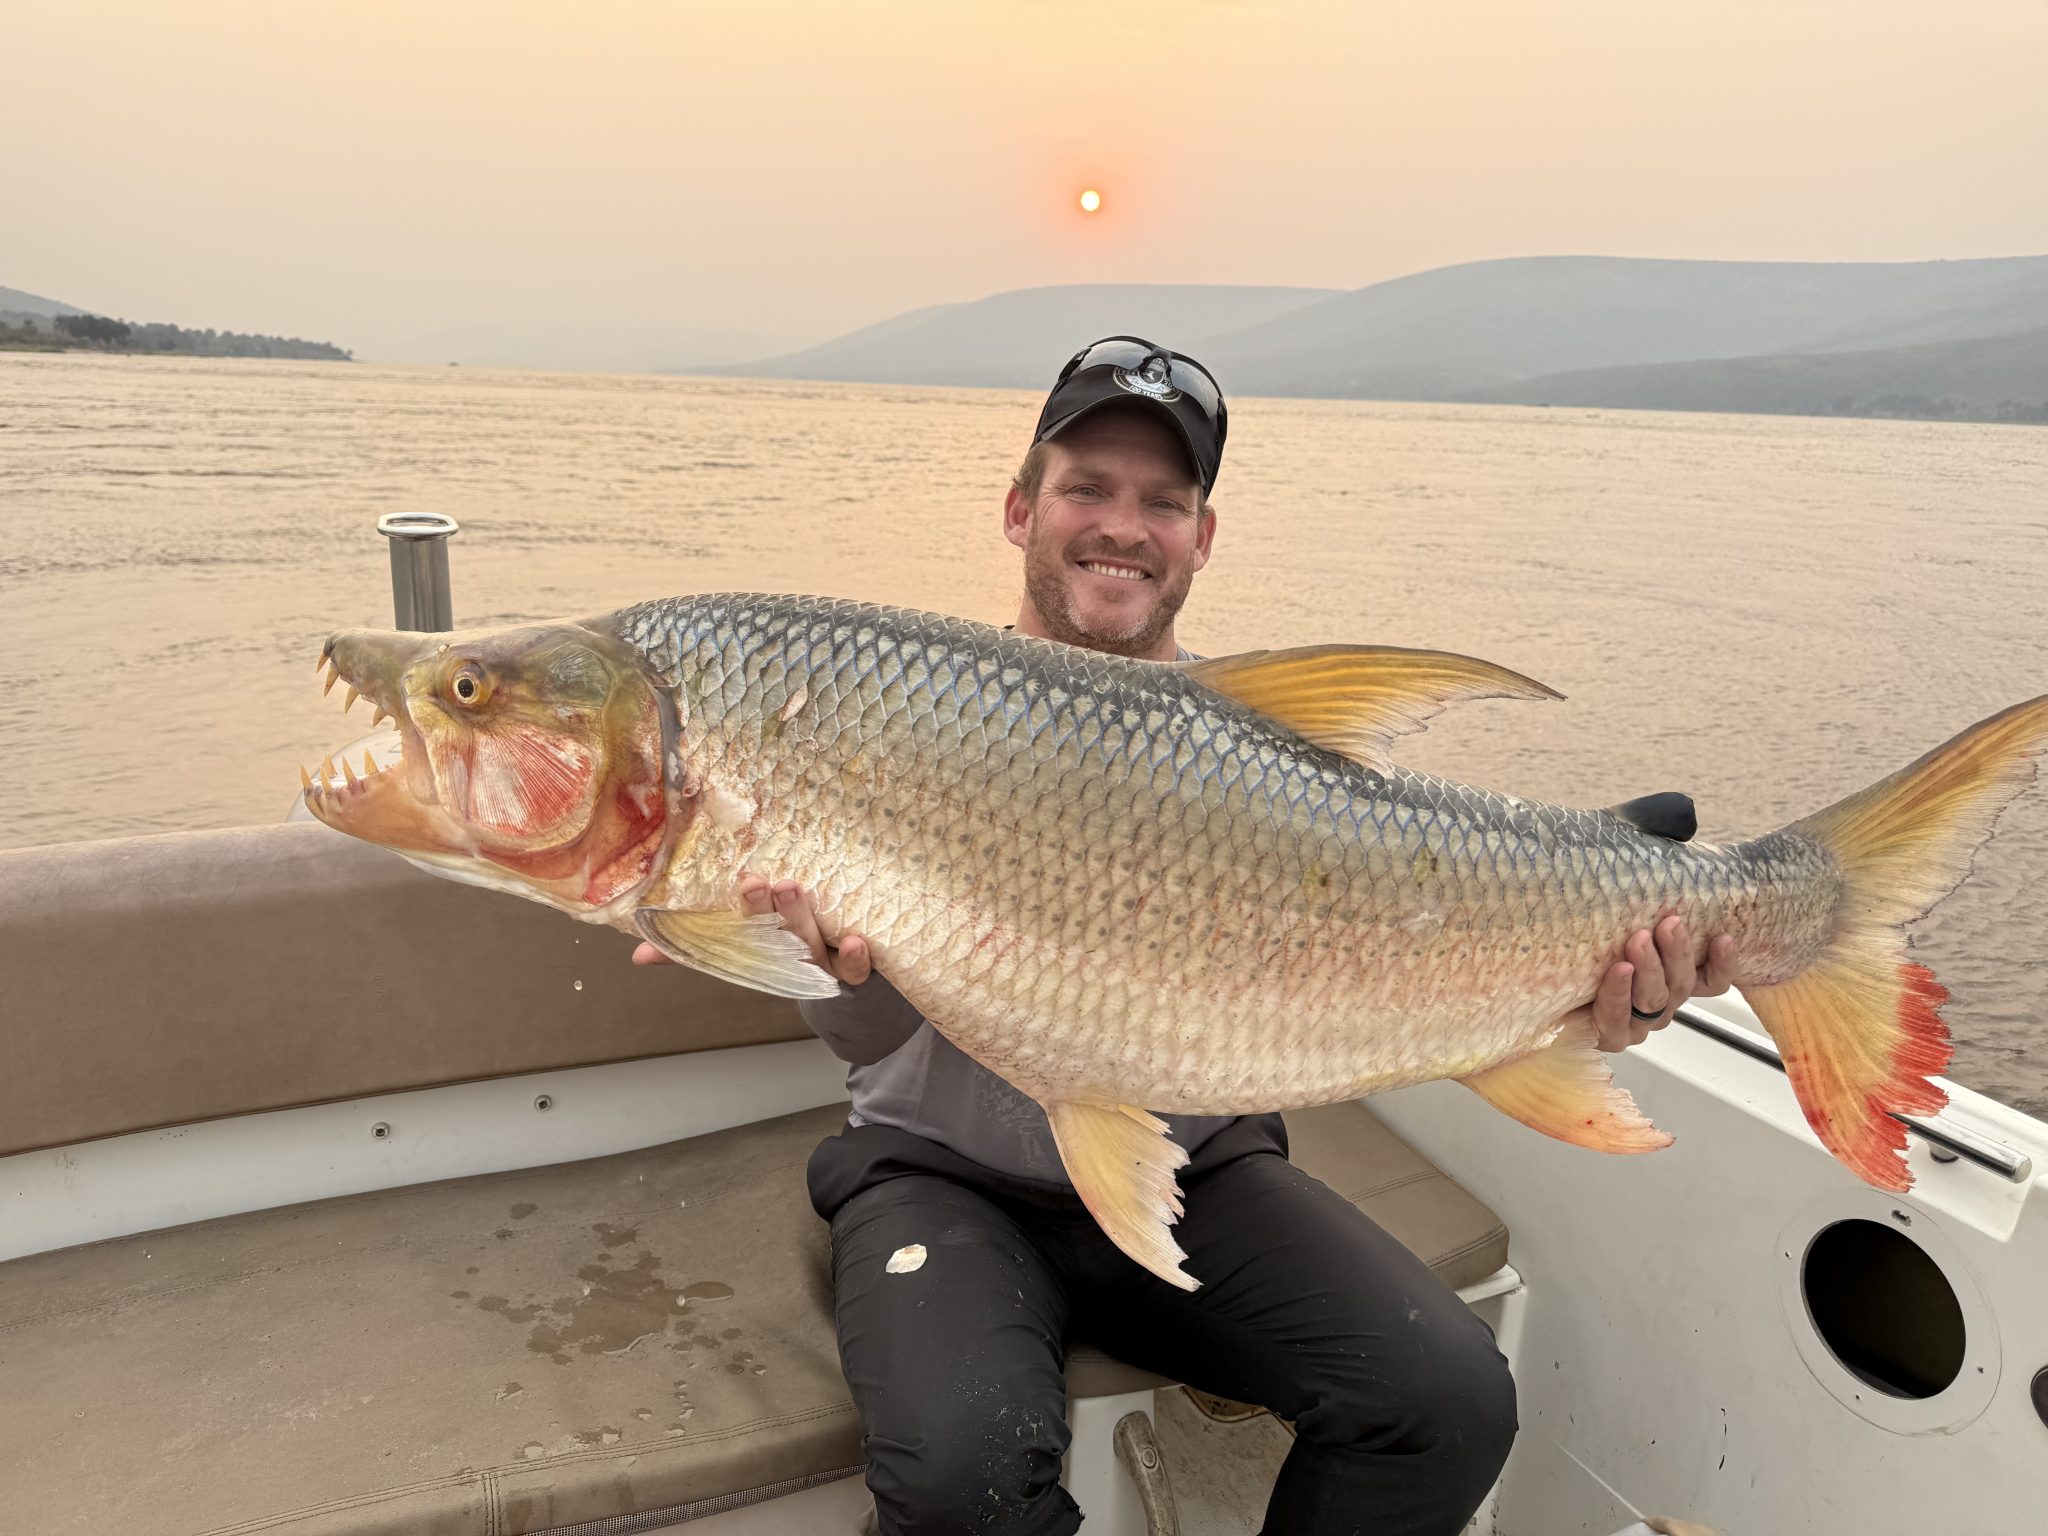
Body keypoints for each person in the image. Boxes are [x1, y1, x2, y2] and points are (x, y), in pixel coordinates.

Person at [635, 336, 1738, 1535]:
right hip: (940, 1179)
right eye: (1087, 489)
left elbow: (1417, 941)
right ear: (1018, 510)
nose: (1123, 526)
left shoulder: (1260, 749)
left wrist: (1591, 991)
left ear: (1200, 538)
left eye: (1163, 500)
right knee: (959, 1485)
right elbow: (862, 1038)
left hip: (1196, 1165)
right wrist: (820, 956)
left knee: (1448, 1398)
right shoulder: (894, 718)